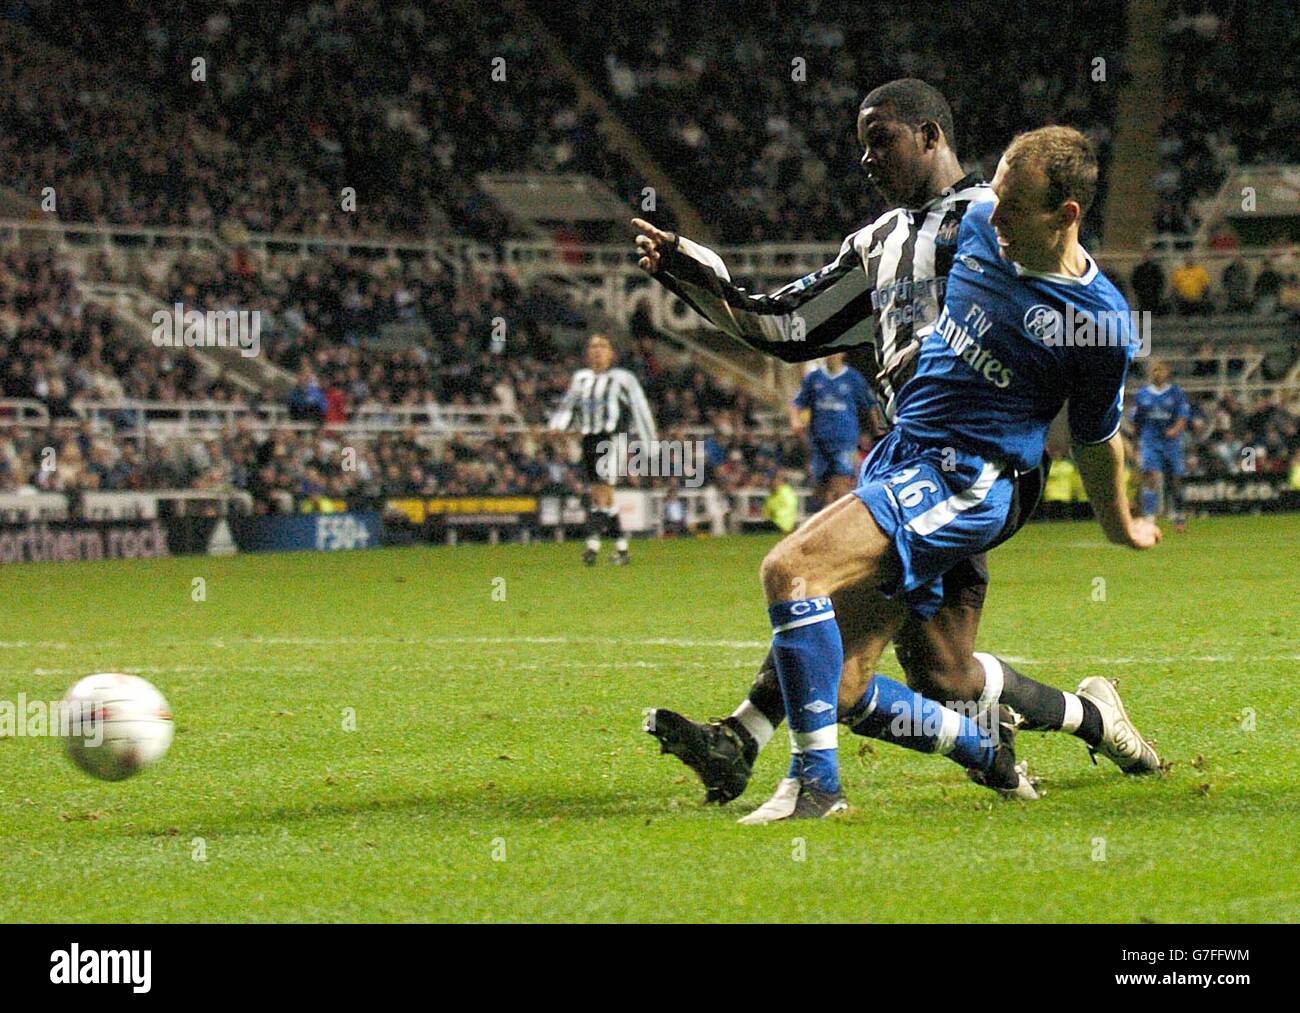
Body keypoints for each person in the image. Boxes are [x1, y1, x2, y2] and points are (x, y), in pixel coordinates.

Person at [635, 83, 1147, 812]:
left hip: (972, 468)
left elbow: (1077, 320)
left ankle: (777, 757)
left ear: (931, 135)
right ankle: (1077, 722)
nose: (867, 159)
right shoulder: (878, 243)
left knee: (807, 577)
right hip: (907, 454)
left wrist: (1054, 441)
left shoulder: (996, 221)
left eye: (882, 140)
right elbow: (785, 326)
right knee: (938, 674)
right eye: (862, 144)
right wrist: (689, 269)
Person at [548, 334, 656, 565]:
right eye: (593, 346)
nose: (597, 350)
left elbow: (640, 409)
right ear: (587, 353)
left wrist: (650, 444)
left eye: (602, 346)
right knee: (601, 496)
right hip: (588, 440)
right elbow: (568, 404)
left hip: (611, 440)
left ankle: (592, 545)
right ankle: (622, 550)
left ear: (611, 353)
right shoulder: (581, 378)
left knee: (603, 493)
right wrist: (556, 426)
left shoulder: (623, 378)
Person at [790, 353, 879, 506]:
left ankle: (839, 519)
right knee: (821, 485)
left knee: (841, 480)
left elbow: (870, 405)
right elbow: (796, 403)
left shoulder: (852, 378)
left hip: (844, 440)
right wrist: (795, 421)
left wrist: (878, 428)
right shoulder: (814, 378)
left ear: (842, 353)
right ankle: (825, 517)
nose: (830, 355)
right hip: (819, 440)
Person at [1132, 359, 1191, 530]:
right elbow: (1137, 421)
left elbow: (1183, 416)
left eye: (1161, 370)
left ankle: (1179, 515)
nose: (1158, 373)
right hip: (1150, 441)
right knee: (1150, 476)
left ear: (1167, 372)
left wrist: (1175, 429)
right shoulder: (1143, 394)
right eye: (1155, 370)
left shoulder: (1176, 393)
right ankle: (1150, 518)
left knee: (1175, 479)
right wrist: (1137, 445)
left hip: (1171, 443)